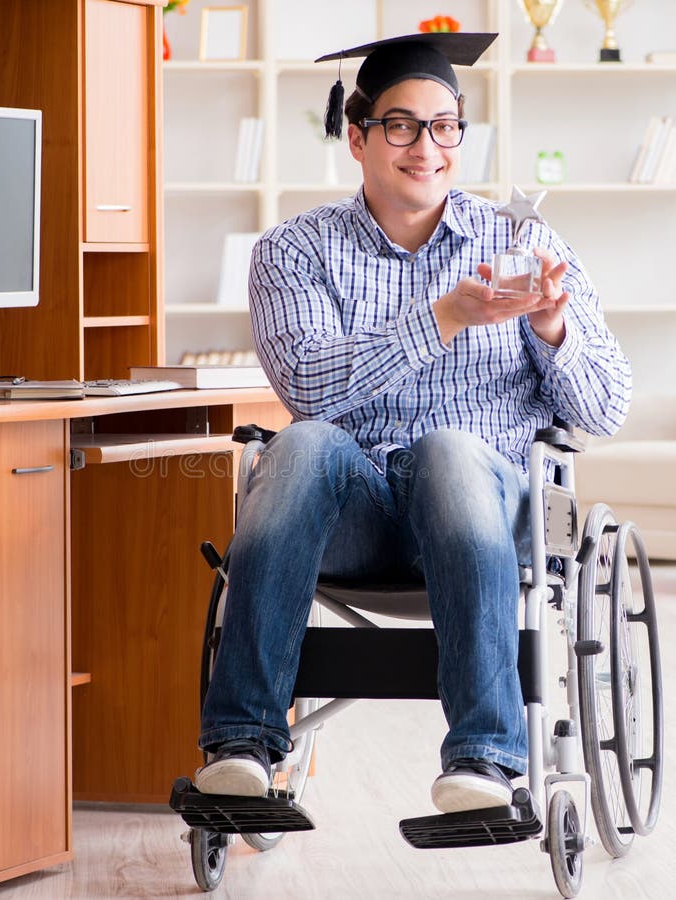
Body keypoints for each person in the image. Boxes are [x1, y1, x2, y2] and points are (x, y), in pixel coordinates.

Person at [194, 32, 631, 813]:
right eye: (399, 125)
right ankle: (242, 747)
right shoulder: (293, 253)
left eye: (444, 126)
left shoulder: (523, 245)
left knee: (448, 452)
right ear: (356, 138)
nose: (424, 148)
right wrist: (445, 316)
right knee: (302, 442)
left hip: (485, 511)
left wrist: (550, 331)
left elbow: (604, 409)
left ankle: (484, 759)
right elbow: (308, 385)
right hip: (356, 516)